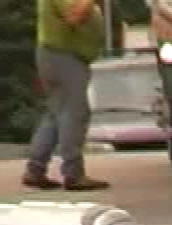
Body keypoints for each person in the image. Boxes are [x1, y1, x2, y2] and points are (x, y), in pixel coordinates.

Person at [23, 0, 111, 192]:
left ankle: (35, 169)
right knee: (74, 113)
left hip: (59, 55)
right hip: (63, 56)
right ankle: (74, 173)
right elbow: (74, 16)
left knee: (56, 114)